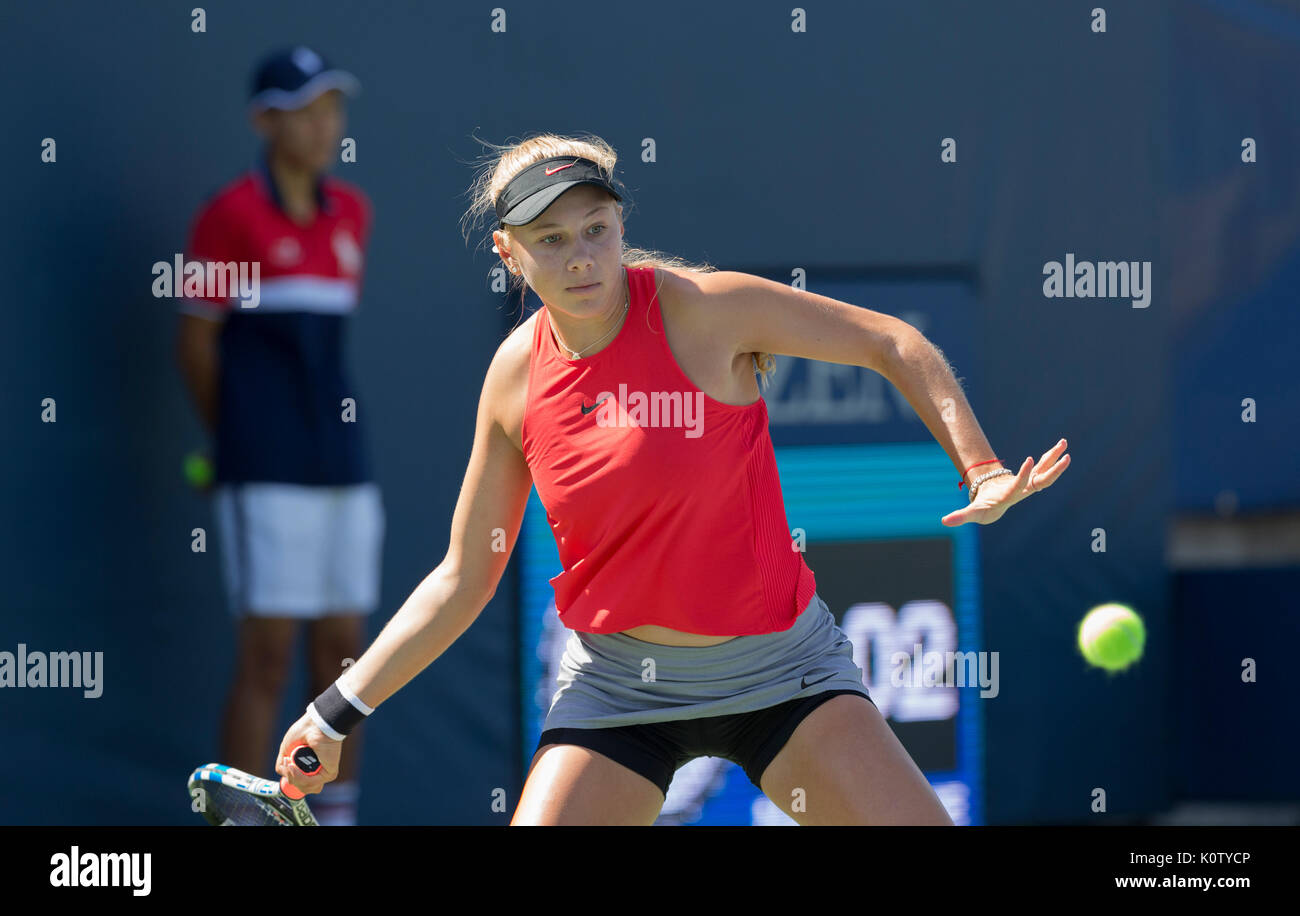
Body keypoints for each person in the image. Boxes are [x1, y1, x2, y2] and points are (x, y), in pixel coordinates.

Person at [274, 133, 1070, 825]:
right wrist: (334, 715)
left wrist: (982, 467)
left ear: (622, 224)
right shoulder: (514, 378)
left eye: (596, 229)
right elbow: (462, 578)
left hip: (784, 677)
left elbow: (892, 343)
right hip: (619, 693)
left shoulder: (708, 311)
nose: (582, 256)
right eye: (550, 240)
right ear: (507, 252)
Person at [175, 46, 383, 826]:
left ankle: (335, 817)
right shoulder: (227, 216)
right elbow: (195, 346)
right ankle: (239, 820)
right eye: (303, 109)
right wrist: (238, 442)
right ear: (264, 120)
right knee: (265, 661)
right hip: (263, 472)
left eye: (332, 107)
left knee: (347, 668)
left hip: (344, 469)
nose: (323, 124)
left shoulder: (352, 214)